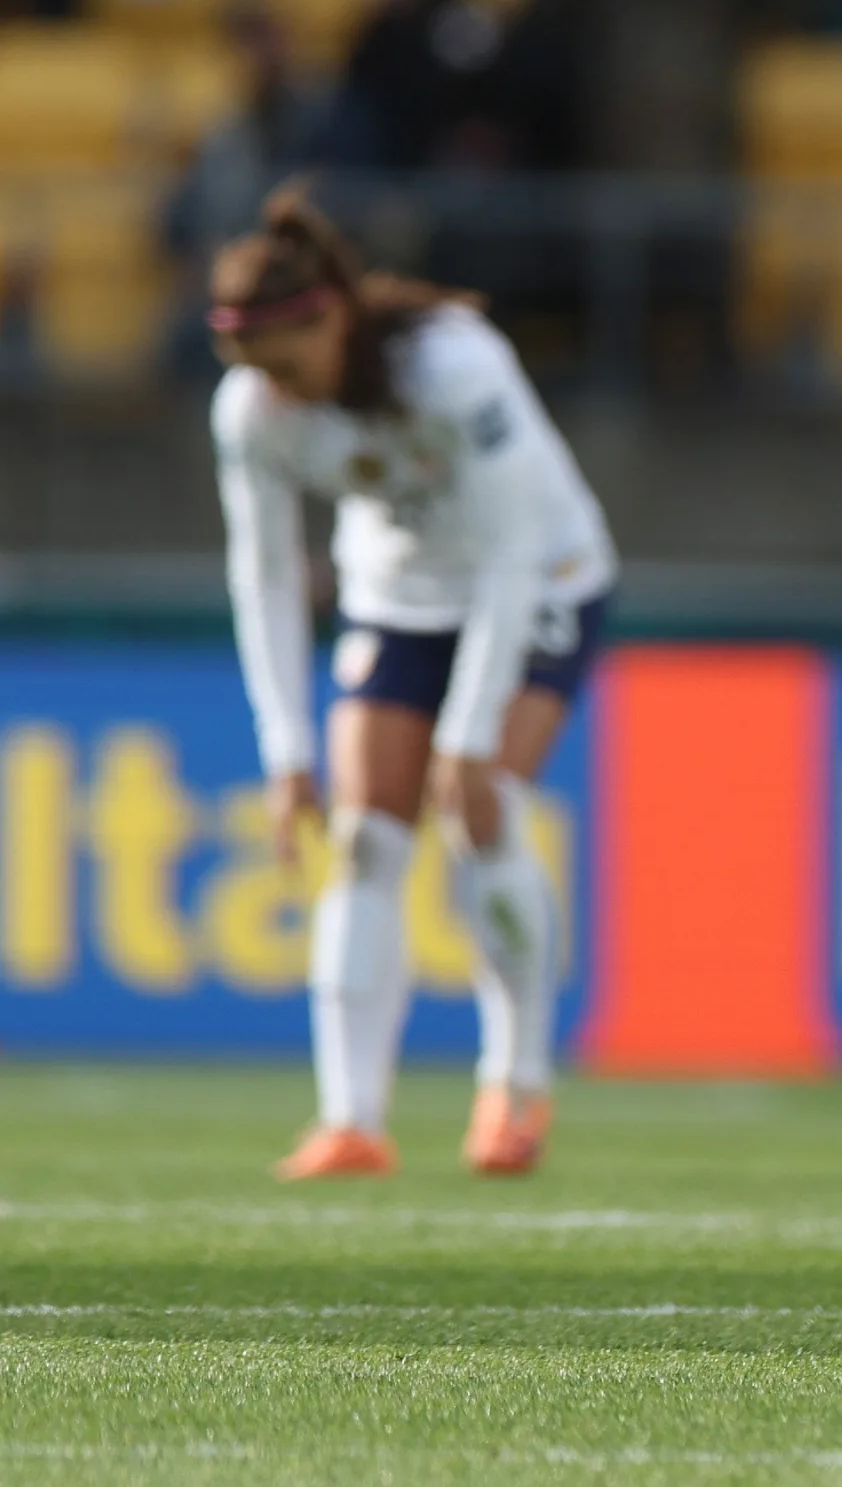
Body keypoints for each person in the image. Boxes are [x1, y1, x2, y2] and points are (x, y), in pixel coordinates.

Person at [210, 188, 617, 1182]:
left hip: (539, 579)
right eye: (253, 371)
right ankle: (352, 1120)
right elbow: (261, 574)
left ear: (331, 317)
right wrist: (285, 750)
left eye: (286, 362)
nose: (276, 391)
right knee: (362, 838)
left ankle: (514, 1088)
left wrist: (470, 737)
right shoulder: (252, 410)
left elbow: (514, 549)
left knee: (482, 808)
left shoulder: (454, 367)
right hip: (397, 598)